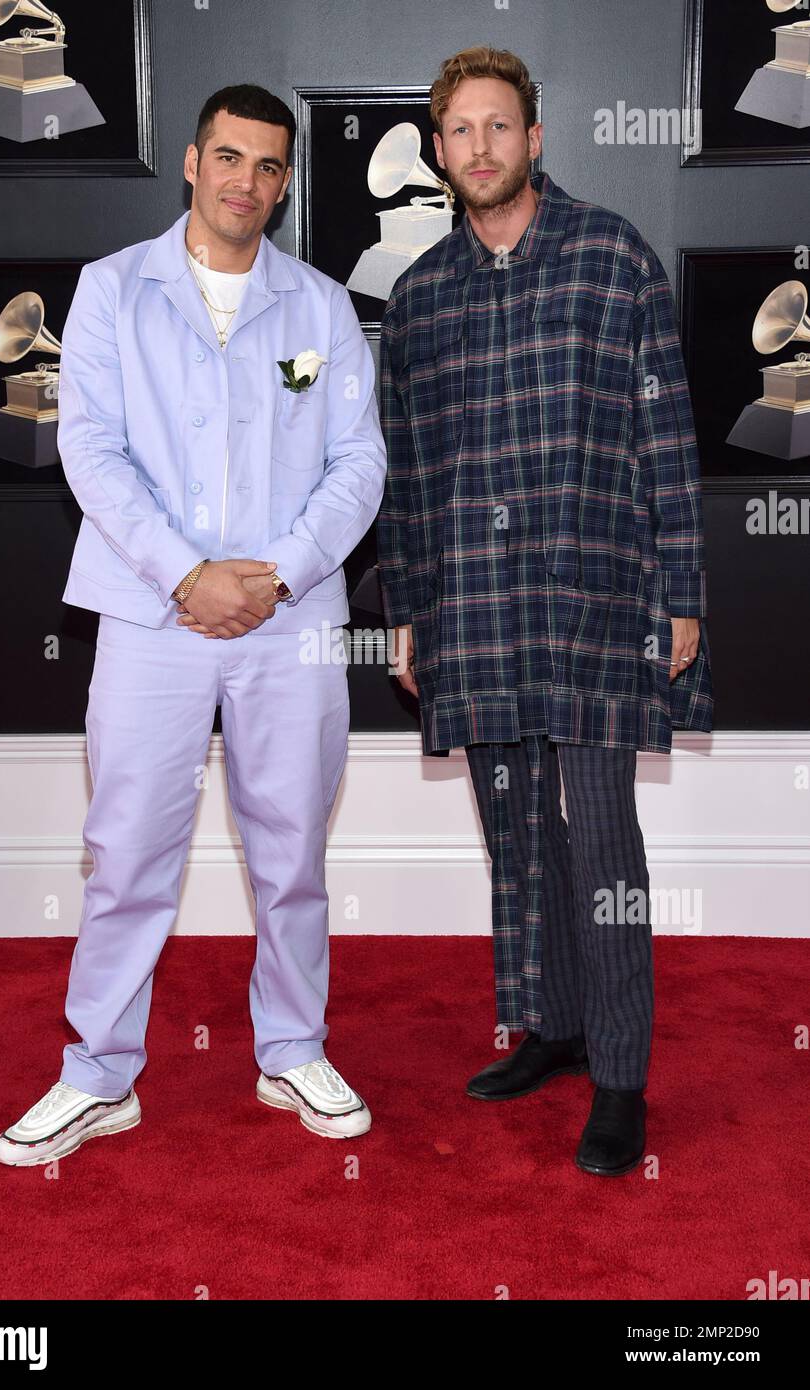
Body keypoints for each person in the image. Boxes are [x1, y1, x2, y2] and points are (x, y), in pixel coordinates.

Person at [0, 85, 386, 1166]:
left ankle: (292, 1046)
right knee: (125, 851)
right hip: (148, 614)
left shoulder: (318, 306)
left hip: (286, 616)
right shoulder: (113, 290)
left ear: (287, 178)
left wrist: (280, 575)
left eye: (267, 166)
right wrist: (184, 576)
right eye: (228, 158)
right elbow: (93, 455)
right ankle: (98, 1071)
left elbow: (359, 465)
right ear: (188, 160)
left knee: (293, 848)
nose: (245, 183)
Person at [376, 46, 712, 1176]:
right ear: (438, 152)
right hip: (474, 603)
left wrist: (681, 597)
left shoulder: (613, 257)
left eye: (498, 126)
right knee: (516, 834)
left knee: (601, 836)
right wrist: (409, 615)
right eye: (458, 131)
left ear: (533, 138)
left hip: (599, 592)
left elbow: (666, 439)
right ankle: (554, 1027)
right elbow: (409, 480)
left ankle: (618, 1076)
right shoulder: (417, 299)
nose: (479, 147)